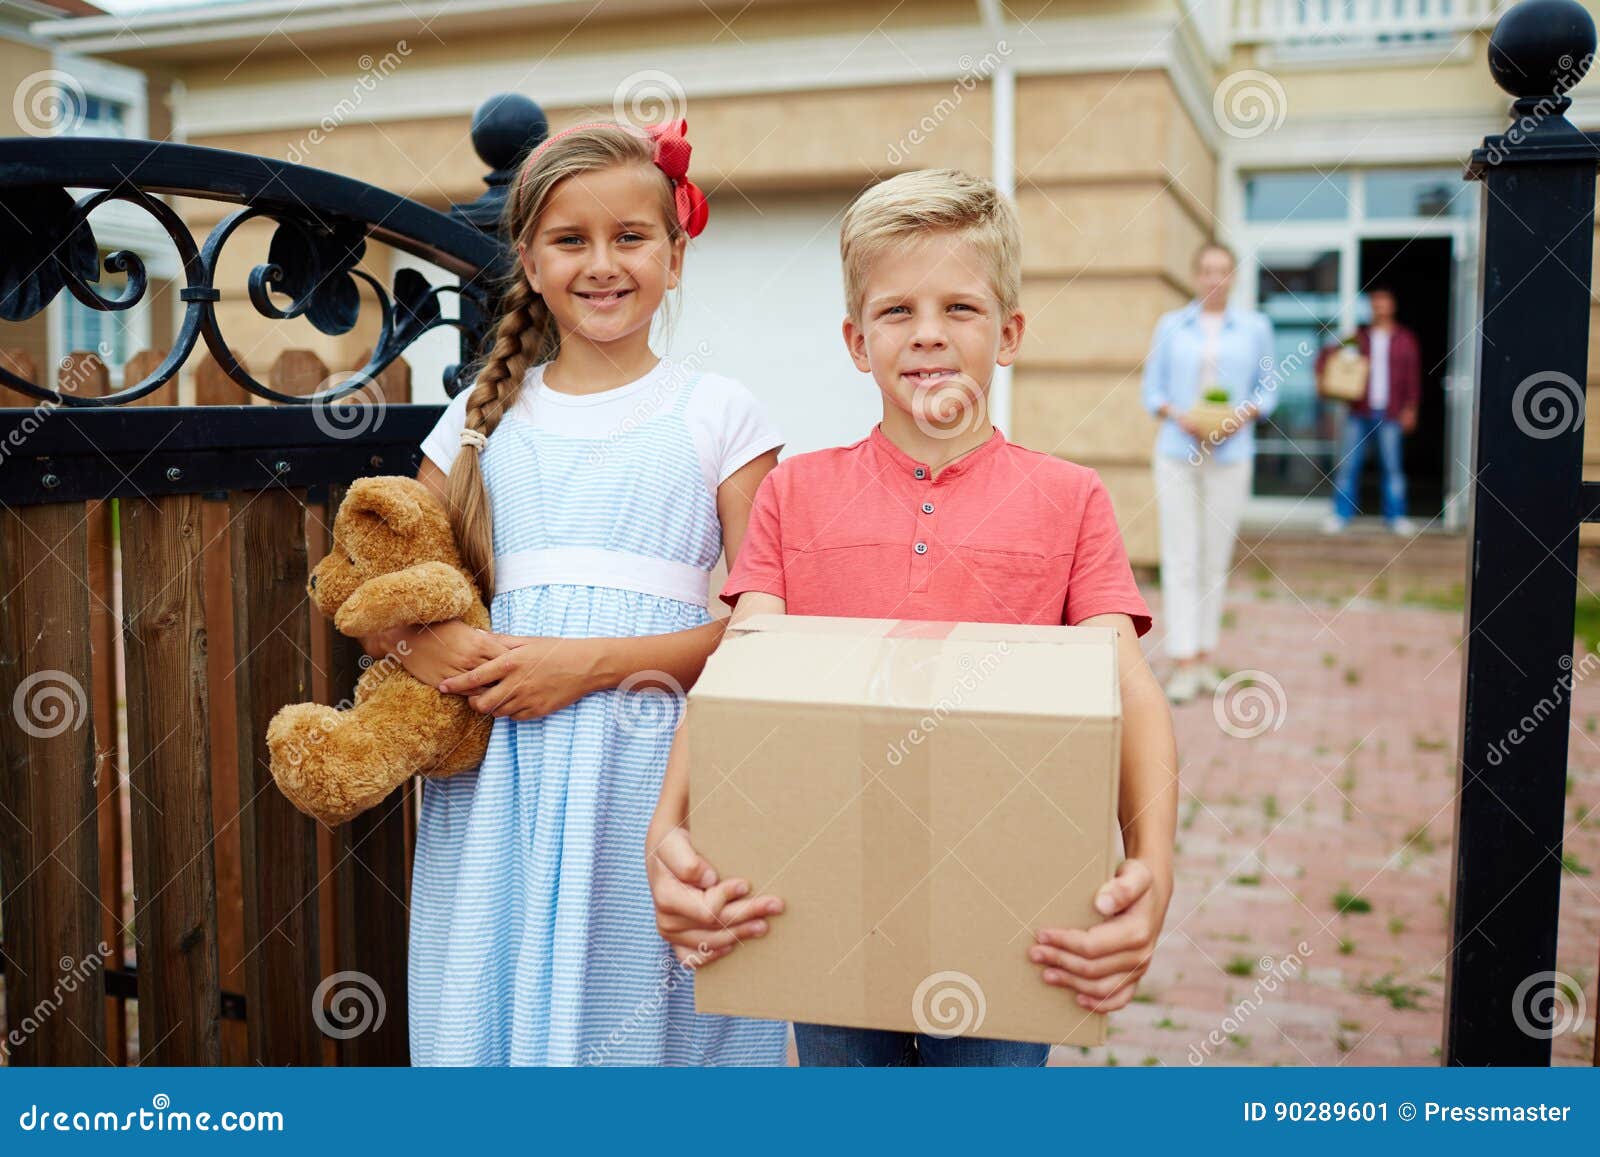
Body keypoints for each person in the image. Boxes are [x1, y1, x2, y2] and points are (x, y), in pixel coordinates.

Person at [645, 169, 1179, 1067]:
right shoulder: (795, 494)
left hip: (1012, 907)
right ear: (856, 341)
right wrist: (670, 831)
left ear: (1008, 333)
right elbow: (741, 670)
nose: (928, 332)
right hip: (822, 890)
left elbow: (1124, 685)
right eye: (896, 311)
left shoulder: (1071, 498)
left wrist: (1153, 864)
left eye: (960, 308)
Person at [360, 119, 789, 1065]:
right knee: (498, 992)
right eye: (571, 240)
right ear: (530, 260)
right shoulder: (477, 422)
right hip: (501, 775)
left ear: (675, 256)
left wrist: (590, 666)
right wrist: (420, 646)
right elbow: (390, 589)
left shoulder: (720, 413)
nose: (604, 264)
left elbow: (763, 625)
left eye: (631, 238)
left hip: (655, 759)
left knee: (644, 1001)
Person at [1140, 242, 1278, 705]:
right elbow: (1151, 389)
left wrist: (1243, 415)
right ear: (1196, 275)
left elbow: (1268, 387)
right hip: (1179, 451)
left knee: (1214, 559)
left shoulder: (1255, 328)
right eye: (1206, 270)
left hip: (1231, 454)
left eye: (1223, 270)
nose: (1214, 278)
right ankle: (1180, 660)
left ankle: (1203, 656)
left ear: (1234, 276)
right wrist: (1179, 415)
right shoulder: (1171, 325)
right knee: (1180, 556)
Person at [1318, 286, 1421, 537]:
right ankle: (1341, 514)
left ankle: (1395, 517)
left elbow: (1412, 377)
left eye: (1383, 304)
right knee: (1349, 465)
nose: (1379, 308)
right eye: (1375, 304)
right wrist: (1324, 378)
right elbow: (1327, 355)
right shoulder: (1358, 337)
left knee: (1392, 466)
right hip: (1359, 411)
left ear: (1392, 307)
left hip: (1391, 413)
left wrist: (1411, 408)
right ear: (1370, 308)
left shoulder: (1405, 339)